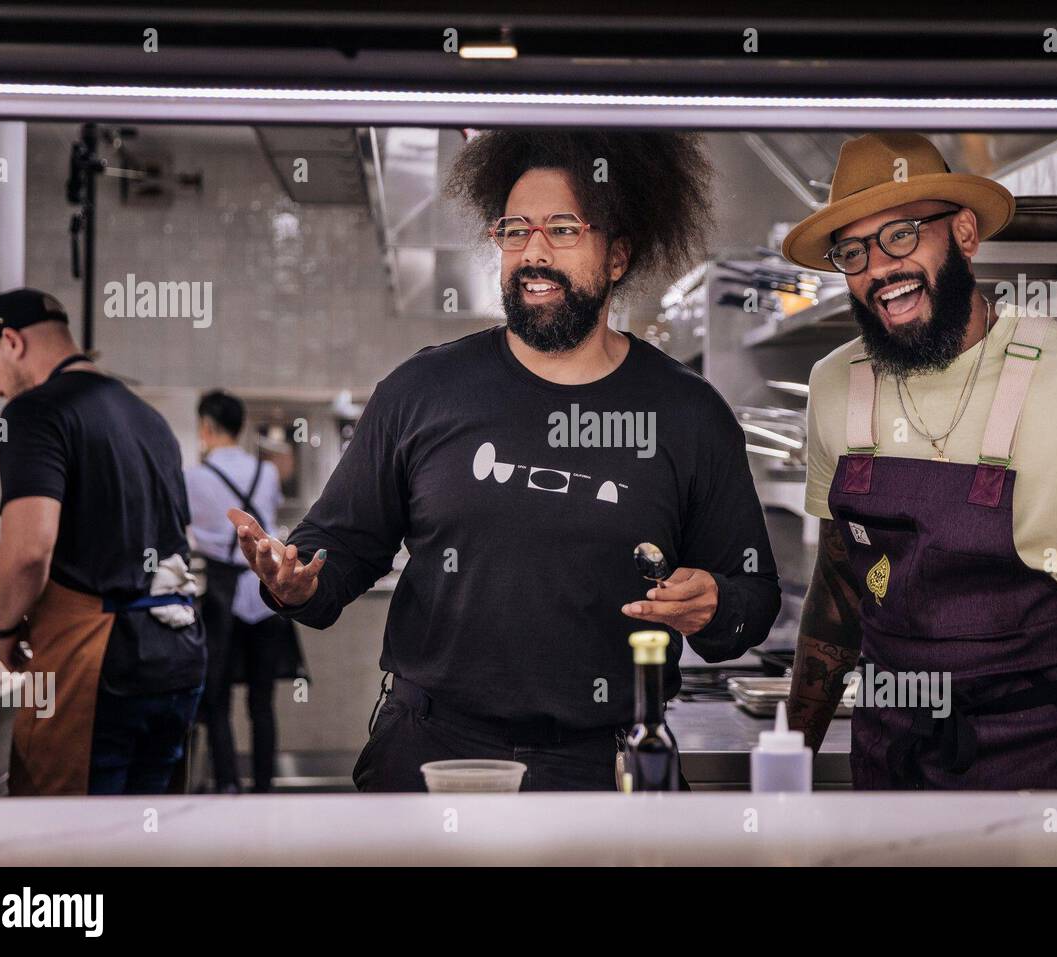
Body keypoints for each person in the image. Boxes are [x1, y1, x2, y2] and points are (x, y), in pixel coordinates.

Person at [227, 130, 782, 791]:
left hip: (601, 766)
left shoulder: (689, 415)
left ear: (618, 255)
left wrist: (718, 604)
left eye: (563, 229)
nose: (533, 252)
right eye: (514, 230)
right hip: (431, 752)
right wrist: (295, 581)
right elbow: (338, 547)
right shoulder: (422, 391)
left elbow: (752, 599)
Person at [783, 133, 1057, 790]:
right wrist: (790, 759)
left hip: (1039, 763)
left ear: (963, 233)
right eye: (854, 250)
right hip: (890, 764)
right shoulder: (833, 383)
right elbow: (841, 589)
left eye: (902, 235)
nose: (878, 267)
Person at [0, 288, 205, 795]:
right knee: (143, 832)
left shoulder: (33, 413)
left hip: (97, 661)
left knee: (65, 834)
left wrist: (2, 631)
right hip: (177, 655)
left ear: (12, 342)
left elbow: (28, 551)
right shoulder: (147, 418)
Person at [185, 390, 301, 794]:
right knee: (262, 700)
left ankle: (228, 786)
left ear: (206, 427)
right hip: (264, 590)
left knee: (216, 697)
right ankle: (265, 787)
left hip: (220, 594)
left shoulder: (193, 477)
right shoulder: (265, 473)